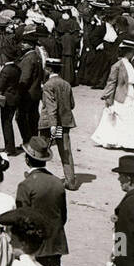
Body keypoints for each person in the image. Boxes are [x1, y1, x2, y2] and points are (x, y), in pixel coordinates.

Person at [16, 135, 75, 266]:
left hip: (33, 243)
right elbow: (63, 216)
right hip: (55, 241)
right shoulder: (57, 184)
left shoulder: (26, 185)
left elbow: (21, 217)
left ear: (27, 159)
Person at [39, 56, 78, 191]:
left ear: (48, 69)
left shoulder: (48, 85)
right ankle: (71, 181)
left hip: (49, 124)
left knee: (41, 150)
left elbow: (51, 106)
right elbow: (71, 105)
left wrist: (53, 125)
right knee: (65, 151)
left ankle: (39, 179)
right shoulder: (66, 84)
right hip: (65, 123)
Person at [93, 39, 134, 151]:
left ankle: (123, 142)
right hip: (121, 95)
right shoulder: (118, 65)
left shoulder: (129, 64)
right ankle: (122, 142)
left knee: (126, 119)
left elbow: (130, 79)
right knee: (121, 118)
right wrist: (108, 98)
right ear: (127, 52)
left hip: (129, 94)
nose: (133, 54)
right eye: (132, 52)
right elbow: (111, 82)